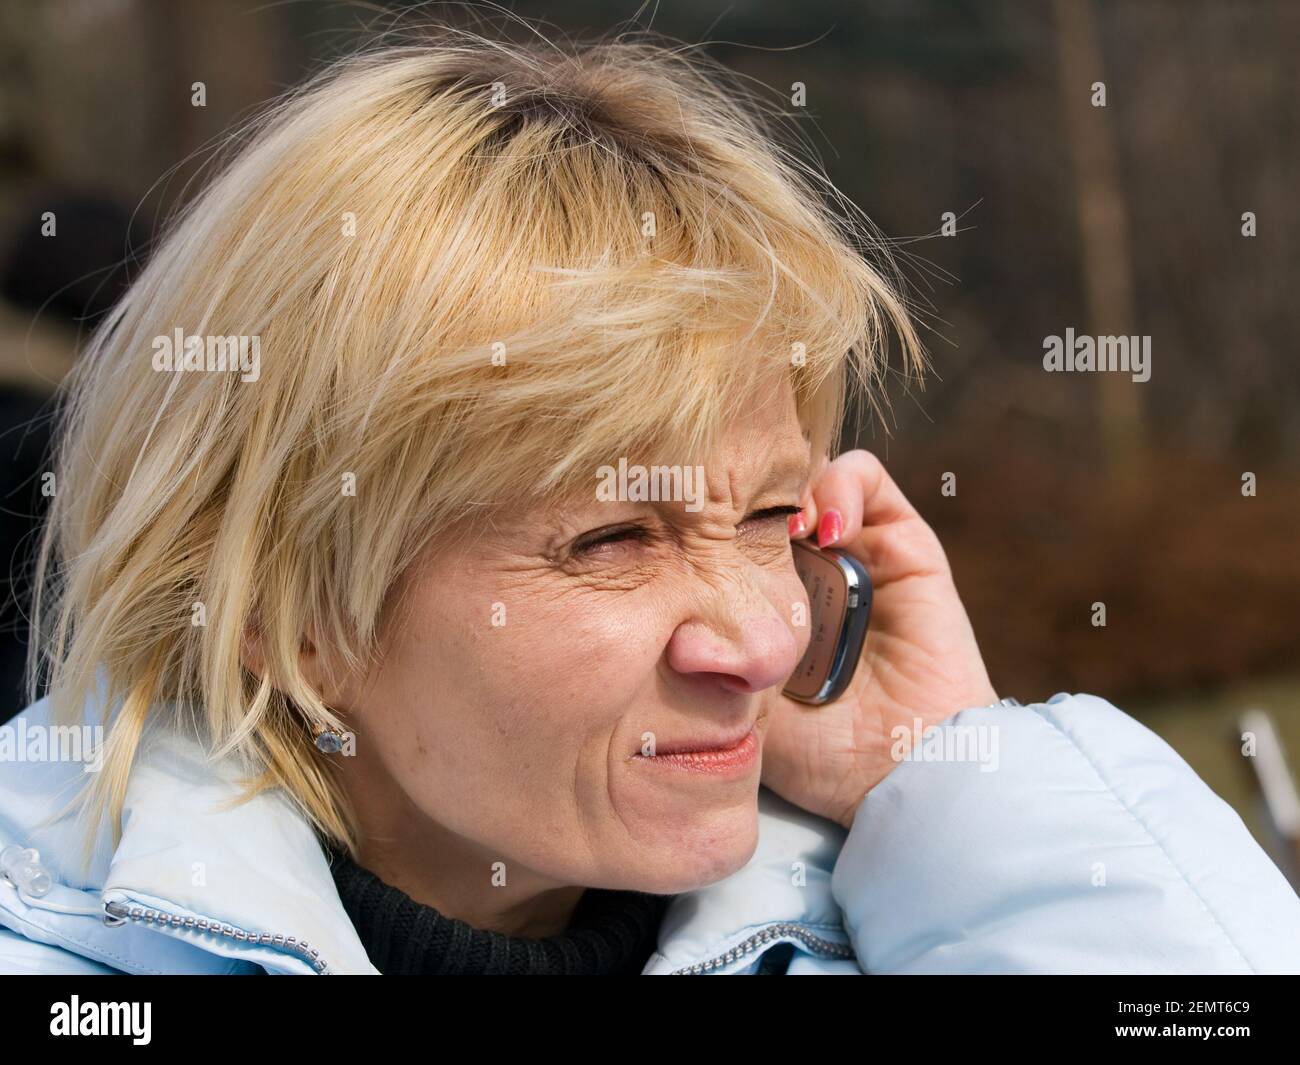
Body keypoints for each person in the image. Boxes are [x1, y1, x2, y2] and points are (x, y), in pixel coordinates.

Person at [1, 29, 1297, 975]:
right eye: (613, 536)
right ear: (284, 613)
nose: (762, 640)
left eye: (773, 520)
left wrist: (943, 784)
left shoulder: (907, 911)